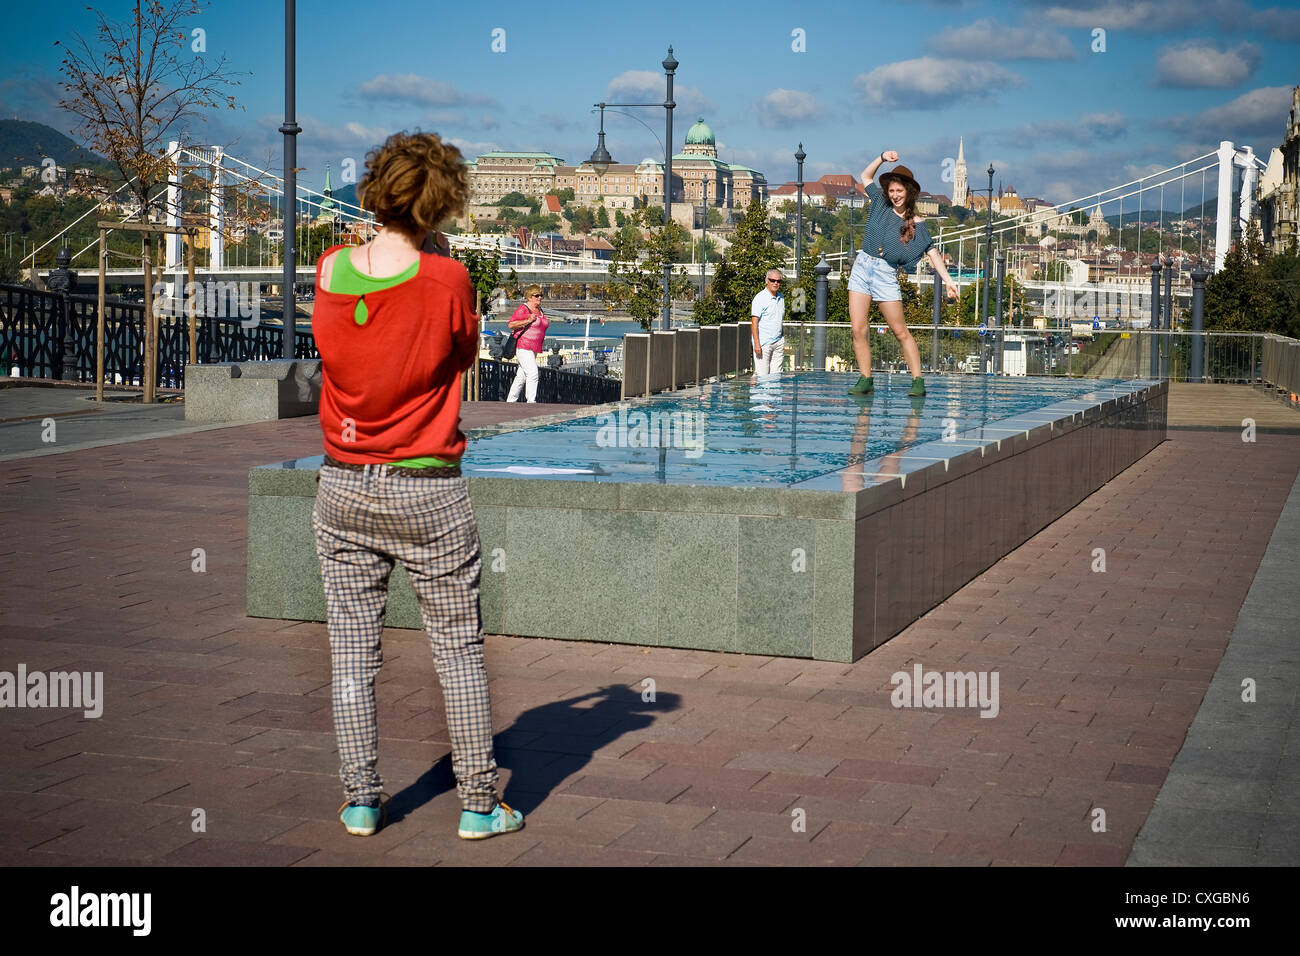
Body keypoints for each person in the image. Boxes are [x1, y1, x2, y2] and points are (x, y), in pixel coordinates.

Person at [311, 131, 523, 841]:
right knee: (456, 648)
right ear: (443, 200)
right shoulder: (449, 279)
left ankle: (364, 800)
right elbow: (460, 354)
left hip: (342, 484)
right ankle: (478, 805)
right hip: (428, 485)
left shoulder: (329, 271)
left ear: (376, 188)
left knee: (351, 651)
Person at [847, 150, 960, 397]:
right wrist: (880, 158)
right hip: (862, 267)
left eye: (899, 191)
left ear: (909, 192)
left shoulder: (918, 225)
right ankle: (866, 378)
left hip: (885, 274)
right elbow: (865, 175)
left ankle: (918, 381)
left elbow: (932, 253)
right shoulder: (878, 203)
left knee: (900, 331)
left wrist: (949, 281)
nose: (895, 195)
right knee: (858, 328)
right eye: (892, 190)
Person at [506, 285, 549, 402]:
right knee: (533, 373)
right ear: (529, 297)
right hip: (523, 346)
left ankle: (510, 401)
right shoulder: (523, 309)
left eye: (541, 295)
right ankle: (531, 401)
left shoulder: (540, 310)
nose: (539, 298)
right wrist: (528, 320)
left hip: (534, 347)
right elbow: (511, 324)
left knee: (521, 376)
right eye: (536, 296)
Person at [751, 269, 786, 375]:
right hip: (764, 344)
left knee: (776, 376)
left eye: (778, 281)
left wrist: (782, 337)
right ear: (767, 281)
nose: (775, 283)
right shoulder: (760, 298)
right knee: (763, 376)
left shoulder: (781, 297)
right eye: (772, 280)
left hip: (778, 342)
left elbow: (779, 319)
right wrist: (757, 344)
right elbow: (754, 322)